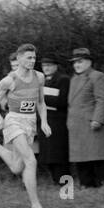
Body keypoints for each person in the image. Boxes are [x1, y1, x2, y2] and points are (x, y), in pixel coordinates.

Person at [0, 44, 50, 208]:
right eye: (29, 58)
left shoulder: (39, 77)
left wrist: (44, 122)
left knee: (17, 167)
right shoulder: (9, 80)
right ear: (19, 58)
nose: (32, 61)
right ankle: (35, 205)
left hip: (30, 122)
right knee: (31, 160)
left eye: (34, 58)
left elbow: (40, 102)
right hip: (13, 120)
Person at [66, 49, 104, 187]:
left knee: (95, 155)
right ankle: (86, 184)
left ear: (89, 62)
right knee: (80, 157)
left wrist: (98, 119)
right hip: (75, 124)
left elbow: (102, 100)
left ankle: (102, 183)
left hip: (91, 122)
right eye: (75, 62)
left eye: (80, 62)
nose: (77, 65)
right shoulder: (74, 78)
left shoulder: (97, 76)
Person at [38, 53, 71, 184]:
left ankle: (65, 182)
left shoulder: (63, 79)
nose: (46, 68)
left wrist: (41, 97)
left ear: (56, 66)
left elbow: (62, 101)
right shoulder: (41, 80)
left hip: (58, 121)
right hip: (44, 120)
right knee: (48, 154)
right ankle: (55, 181)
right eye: (44, 65)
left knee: (58, 154)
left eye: (49, 65)